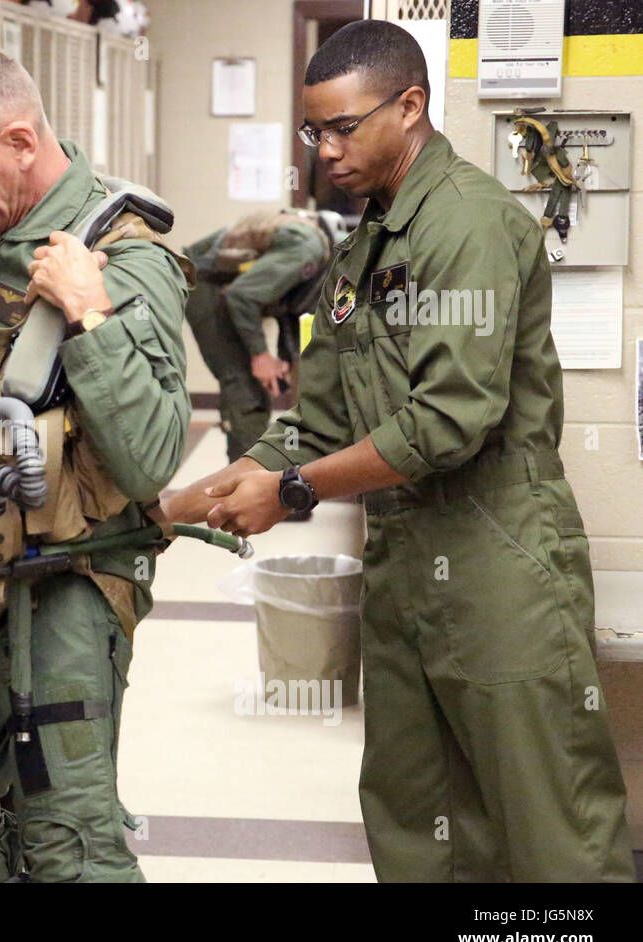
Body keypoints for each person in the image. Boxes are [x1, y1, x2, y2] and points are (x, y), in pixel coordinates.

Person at [165, 20, 634, 882]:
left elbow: (447, 421)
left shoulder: (468, 223)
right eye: (315, 131)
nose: (325, 152)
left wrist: (294, 490)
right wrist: (207, 489)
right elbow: (320, 416)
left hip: (496, 553)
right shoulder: (363, 247)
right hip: (404, 561)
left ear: (411, 106)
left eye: (344, 127)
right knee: (418, 819)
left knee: (551, 825)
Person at [0, 38, 192, 882]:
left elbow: (153, 456)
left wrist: (92, 318)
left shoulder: (123, 257)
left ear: (20, 142)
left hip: (67, 586)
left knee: (67, 840)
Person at [182, 207, 345, 463]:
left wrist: (285, 360)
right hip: (205, 282)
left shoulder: (319, 258)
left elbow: (289, 309)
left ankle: (256, 470)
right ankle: (246, 477)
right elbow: (242, 296)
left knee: (256, 387)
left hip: (227, 287)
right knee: (244, 386)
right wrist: (260, 355)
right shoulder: (308, 250)